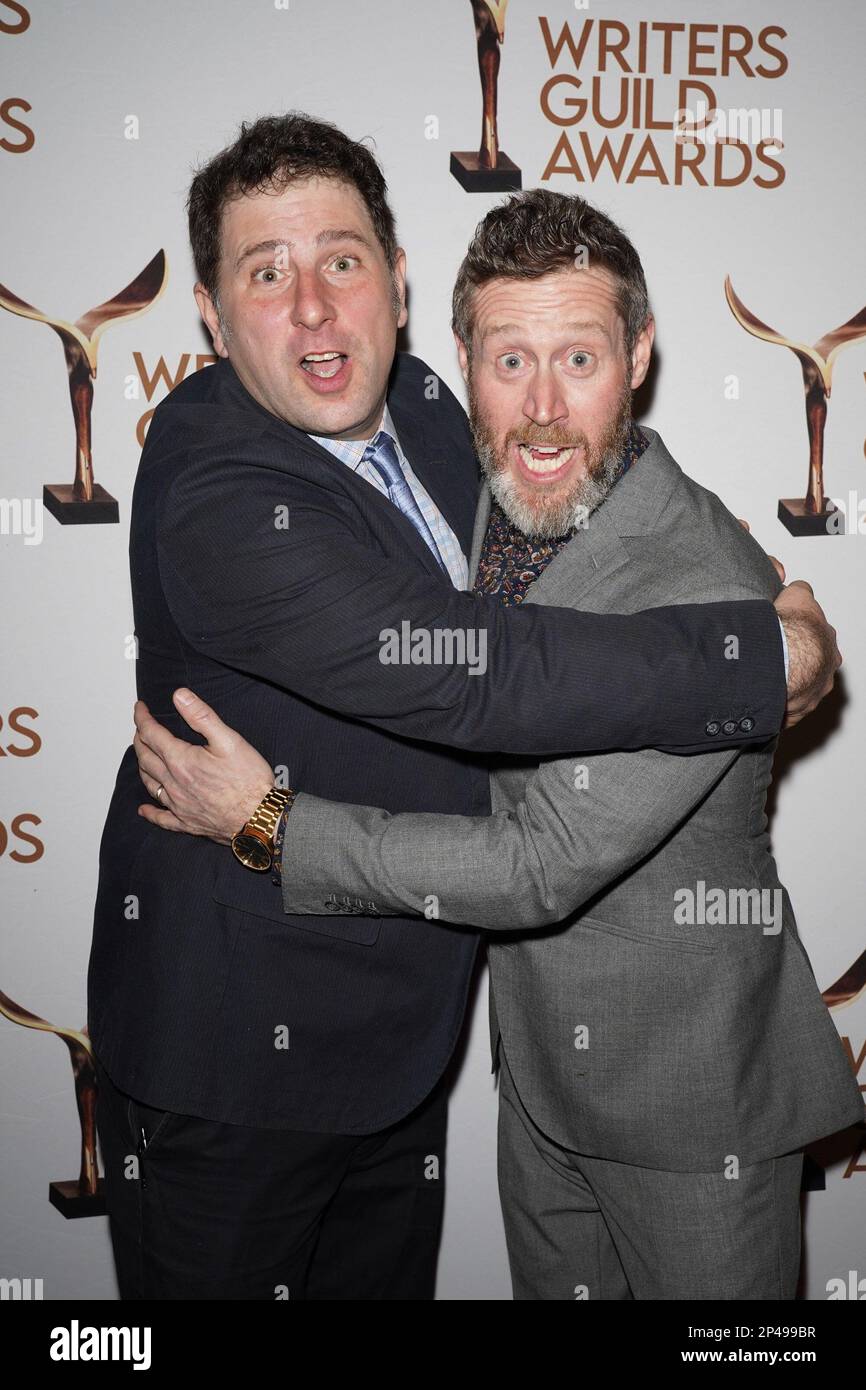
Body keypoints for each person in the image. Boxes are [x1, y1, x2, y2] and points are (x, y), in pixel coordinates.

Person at [92, 115, 839, 1302]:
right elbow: (467, 669)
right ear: (209, 311)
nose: (312, 310)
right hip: (236, 1076)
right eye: (265, 273)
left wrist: (745, 607)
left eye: (339, 261)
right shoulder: (215, 484)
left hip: (603, 1084)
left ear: (392, 286)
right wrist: (755, 658)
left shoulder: (447, 423)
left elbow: (542, 849)